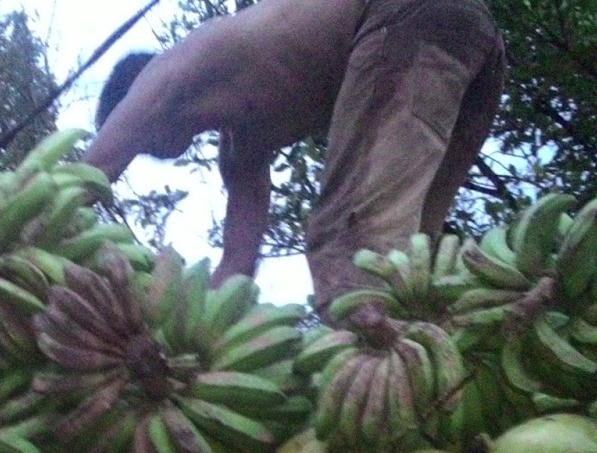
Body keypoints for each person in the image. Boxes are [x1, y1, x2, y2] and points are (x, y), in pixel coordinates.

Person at [84, 0, 505, 309]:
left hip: (402, 16)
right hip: (472, 37)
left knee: (352, 249)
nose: (143, 150)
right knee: (415, 266)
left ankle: (376, 385)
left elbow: (85, 177)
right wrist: (179, 324)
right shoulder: (241, 145)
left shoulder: (170, 69)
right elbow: (238, 264)